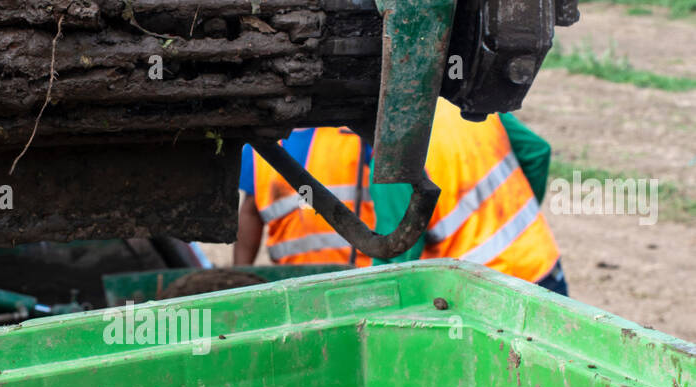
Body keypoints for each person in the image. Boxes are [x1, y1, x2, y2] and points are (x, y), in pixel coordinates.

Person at [237, 99, 567, 294]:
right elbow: (537, 152)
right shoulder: (457, 105)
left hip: (489, 295)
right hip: (541, 268)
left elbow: (397, 257)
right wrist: (515, 229)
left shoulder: (397, 162)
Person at [235, 125, 375, 267]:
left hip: (358, 276)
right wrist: (238, 277)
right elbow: (250, 212)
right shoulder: (257, 149)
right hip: (290, 279)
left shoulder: (355, 134)